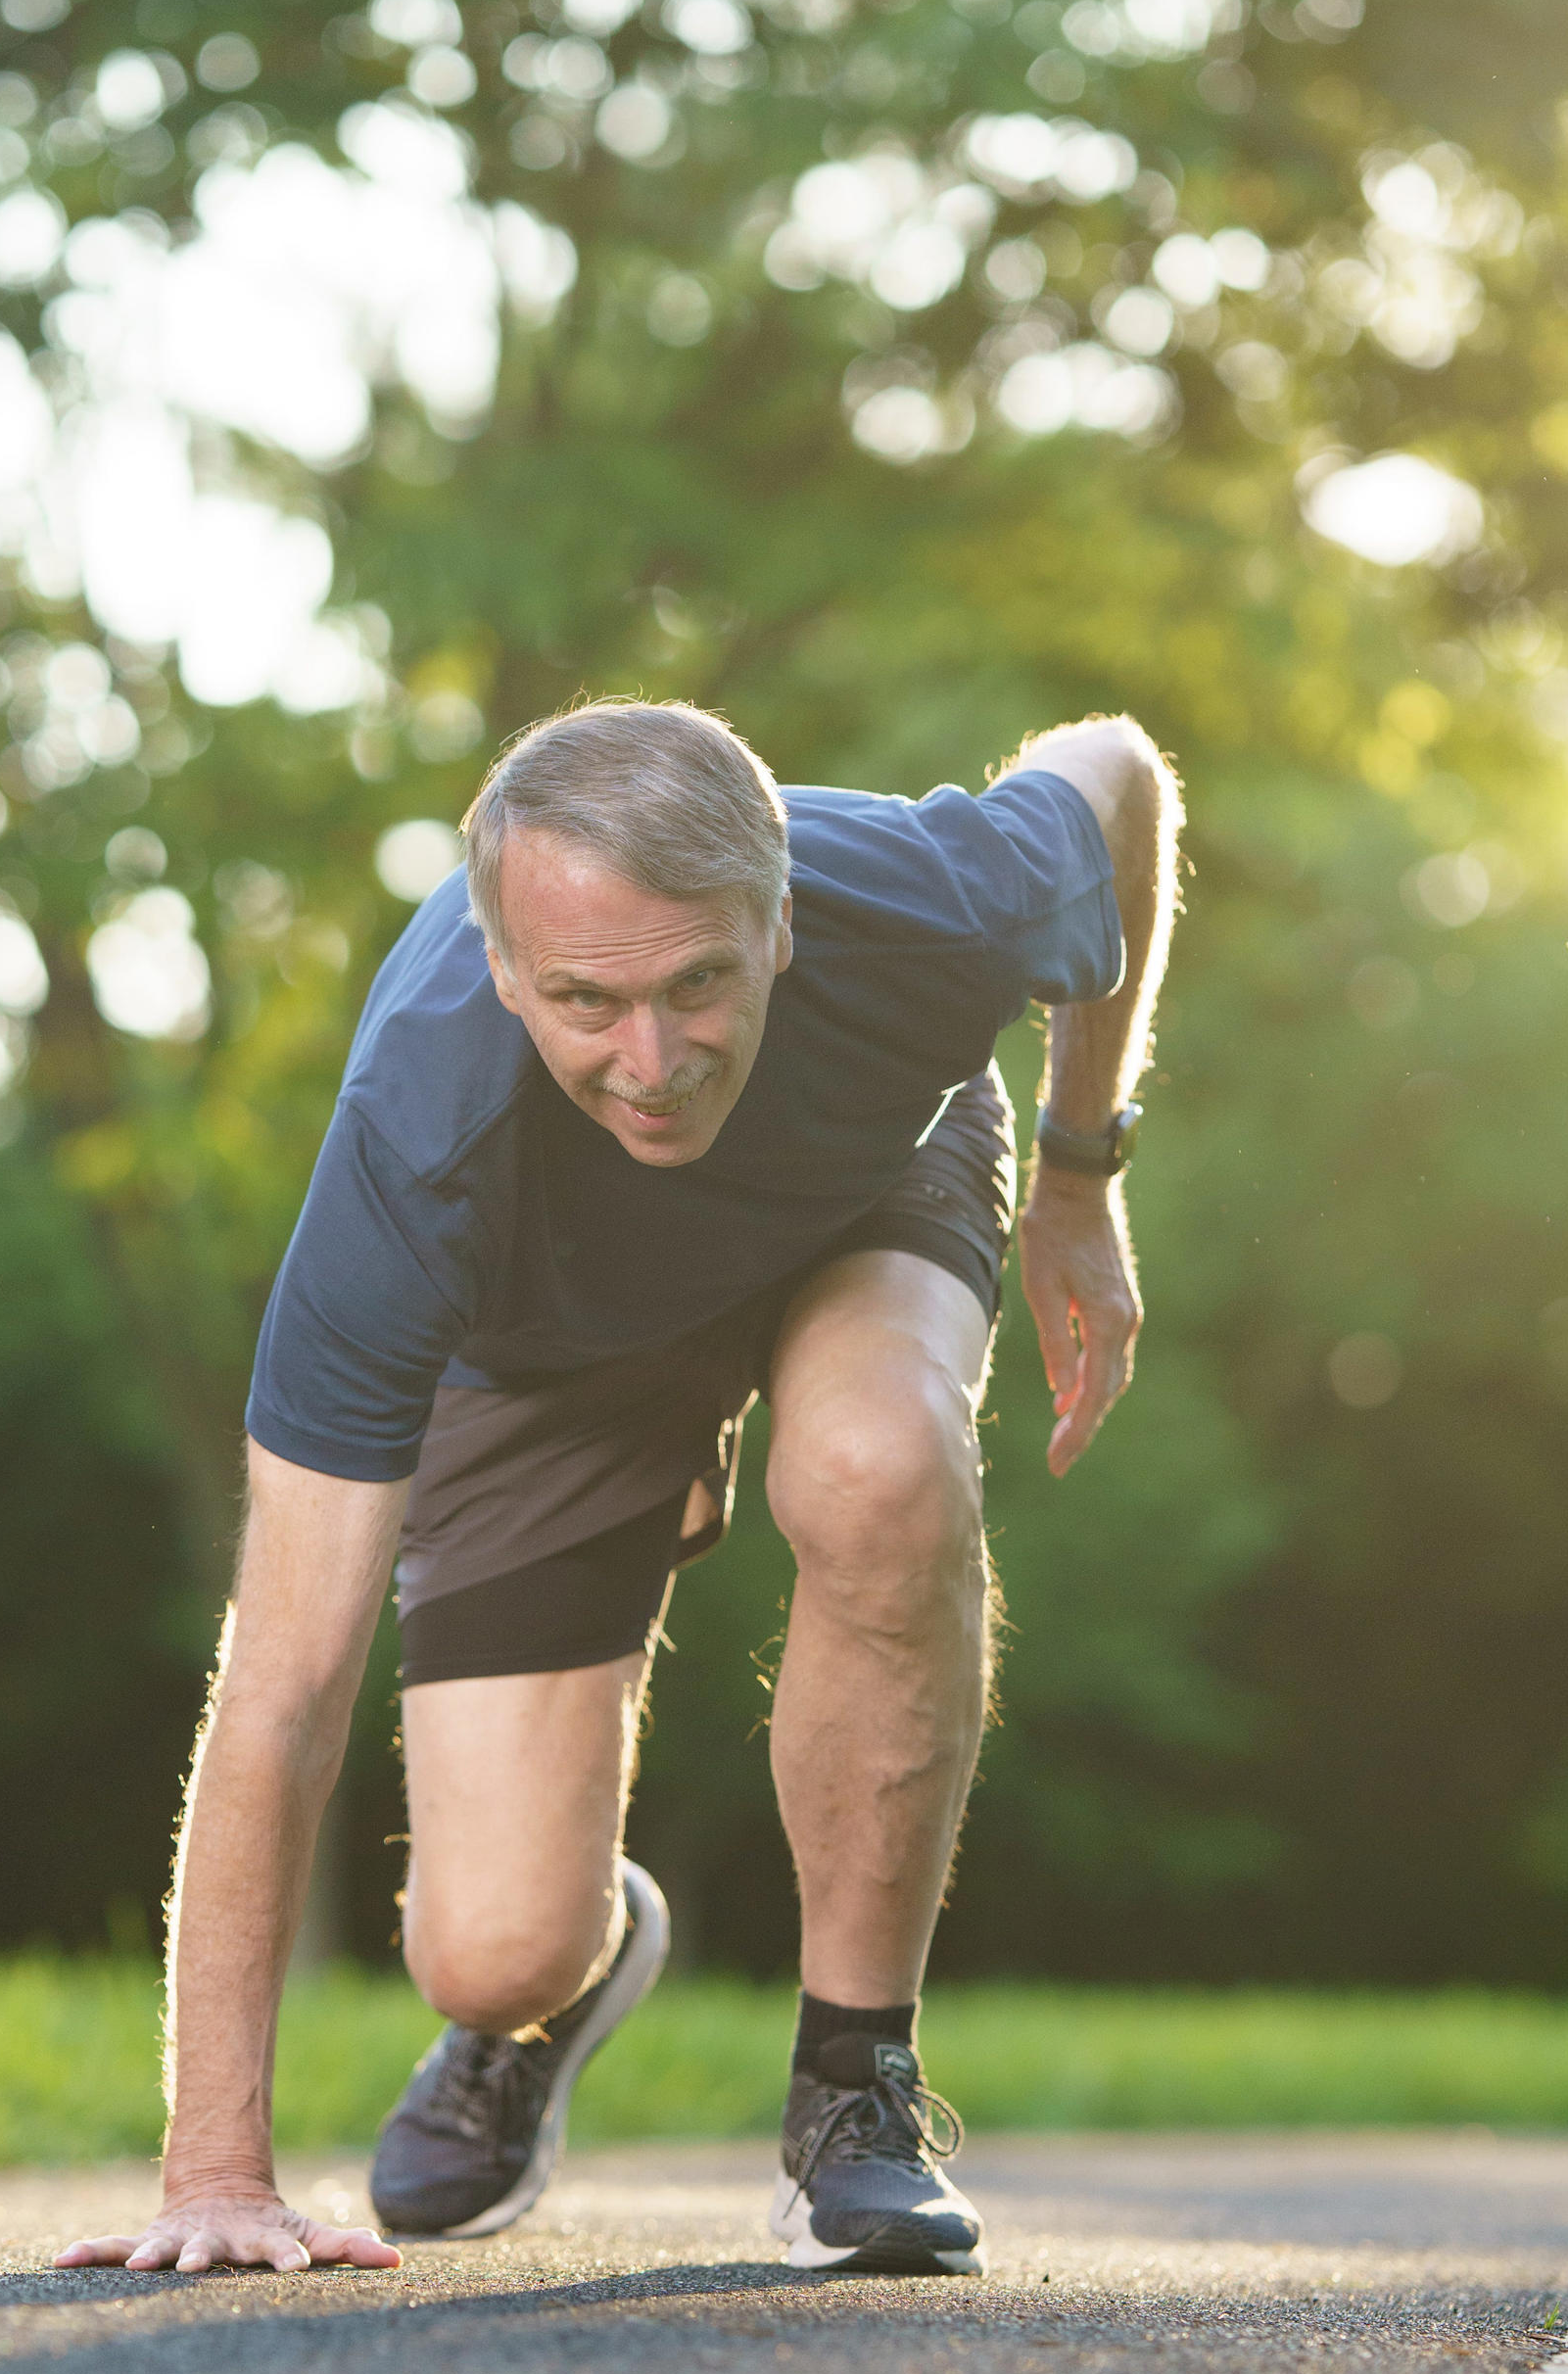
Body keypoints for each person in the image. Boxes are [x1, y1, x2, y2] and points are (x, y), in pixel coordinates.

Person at [59, 695, 1177, 2288]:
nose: (650, 1065)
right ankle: (566, 1975)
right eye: (584, 1001)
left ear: (777, 925)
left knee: (877, 1461)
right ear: (504, 970)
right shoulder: (412, 1150)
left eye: (697, 984)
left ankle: (855, 2092)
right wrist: (215, 2168)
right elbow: (287, 1677)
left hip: (860, 1191)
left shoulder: (933, 895)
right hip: (551, 1340)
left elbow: (1119, 773)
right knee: (491, 1950)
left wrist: (1078, 1167)